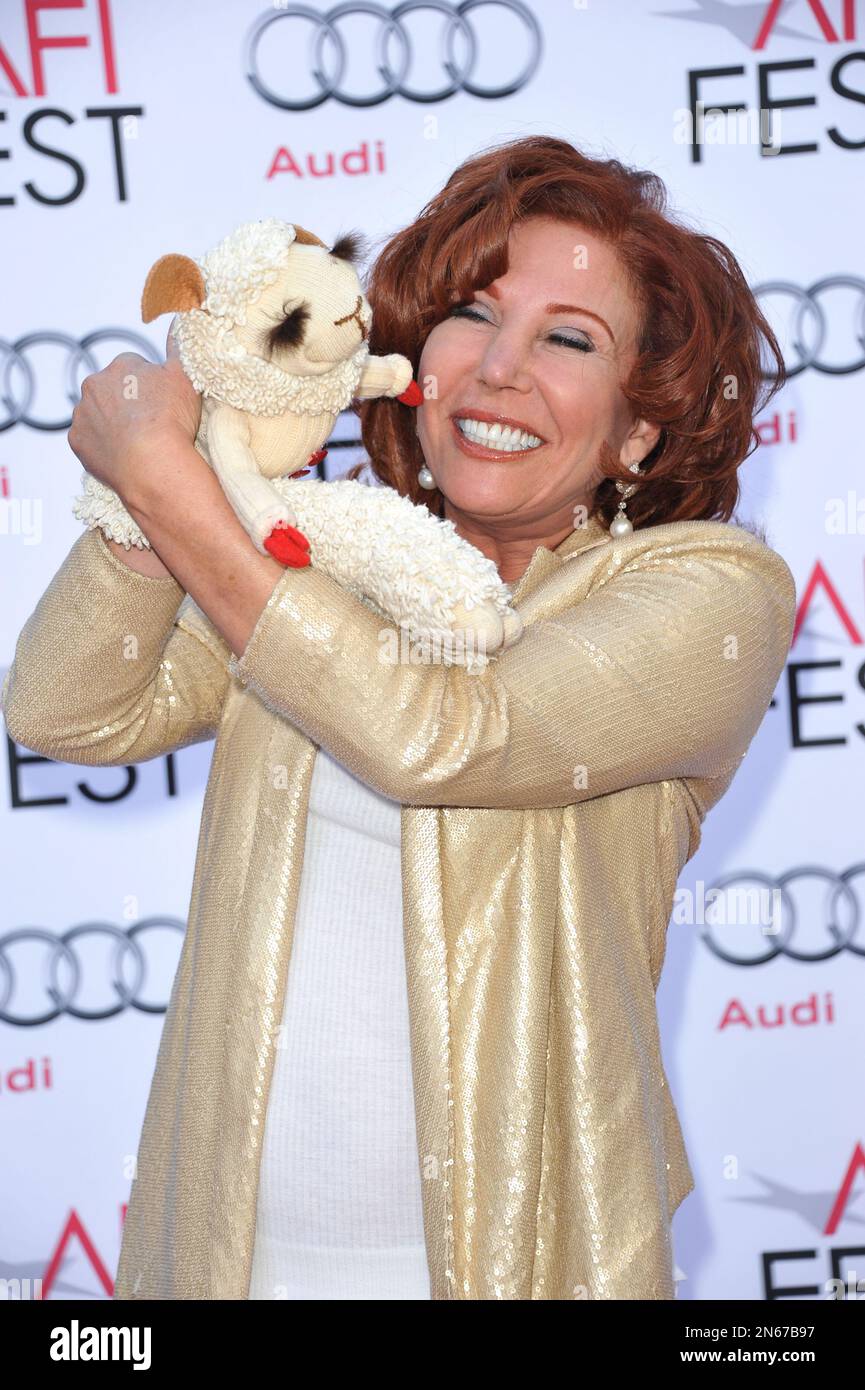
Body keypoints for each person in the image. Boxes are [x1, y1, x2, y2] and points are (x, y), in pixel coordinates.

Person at [1, 135, 796, 1301]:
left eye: (569, 338)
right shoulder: (314, 560)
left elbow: (448, 735)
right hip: (224, 1266)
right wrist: (151, 504)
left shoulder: (711, 592)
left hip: (519, 1274)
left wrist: (174, 488)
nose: (501, 369)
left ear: (639, 427)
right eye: (472, 316)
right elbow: (66, 709)